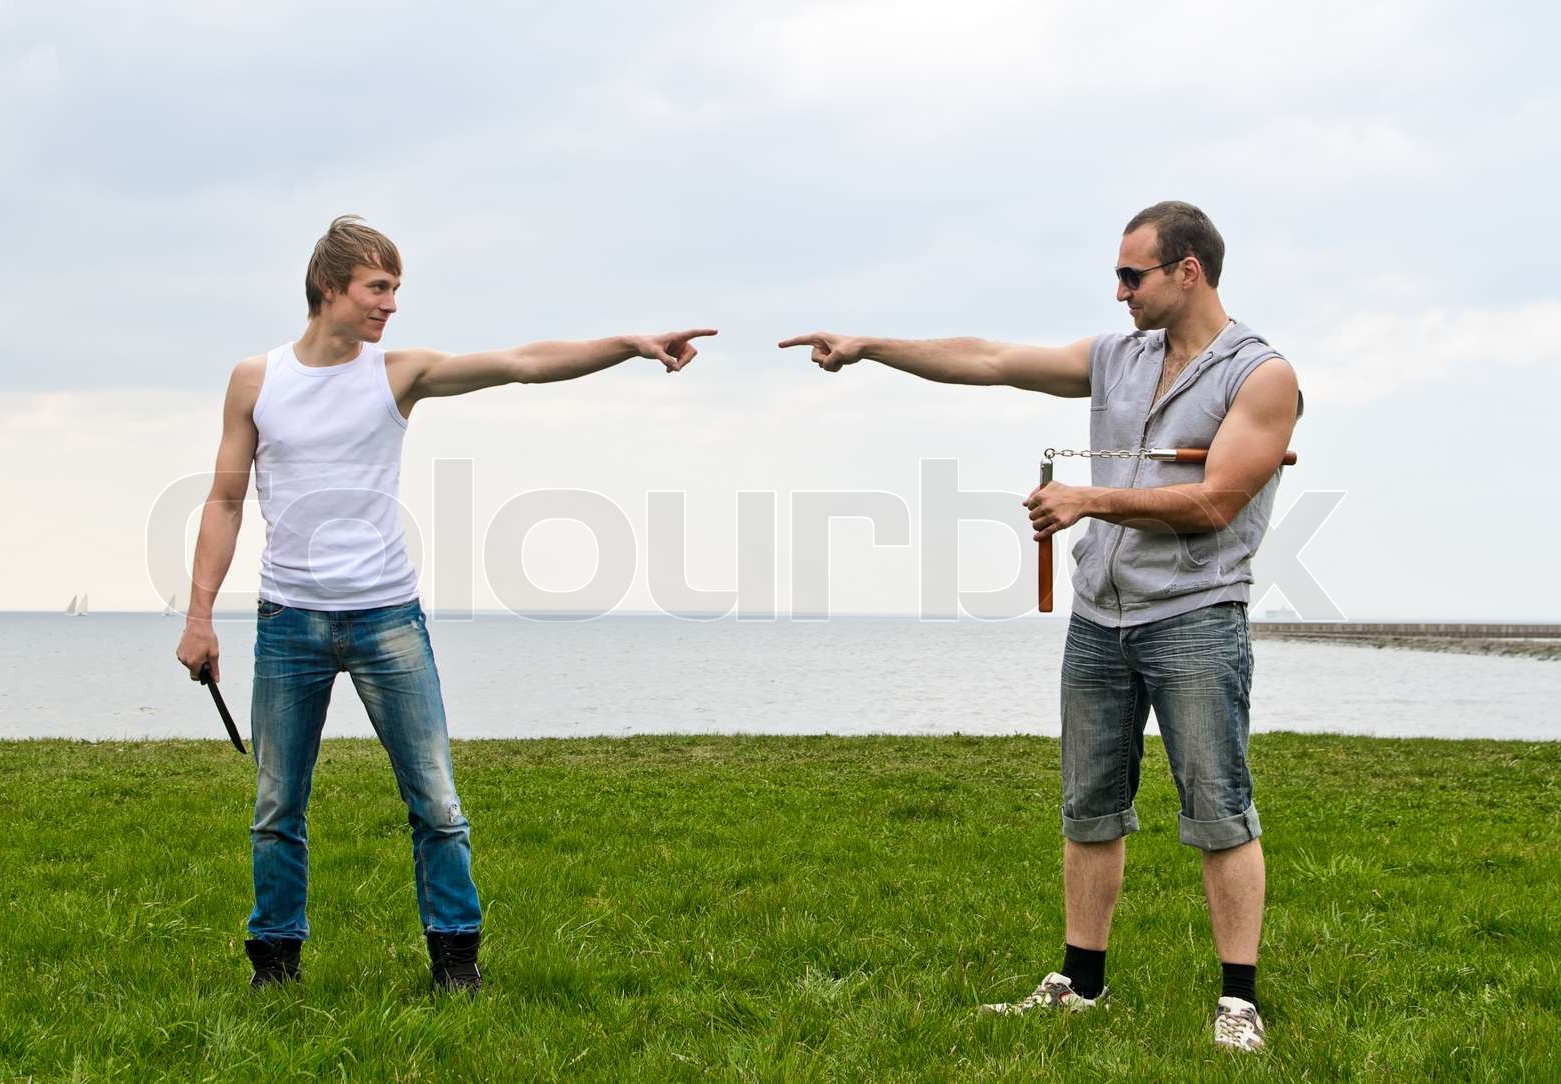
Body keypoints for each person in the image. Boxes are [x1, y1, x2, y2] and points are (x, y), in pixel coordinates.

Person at [779, 201, 1299, 1053]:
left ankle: (1237, 1001)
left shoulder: (1261, 375)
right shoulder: (1117, 357)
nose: (1120, 291)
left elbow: (1216, 501)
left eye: (1134, 275)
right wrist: (873, 346)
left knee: (1218, 808)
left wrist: (1090, 498)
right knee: (1089, 806)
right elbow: (989, 359)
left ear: (1189, 272)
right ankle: (1080, 984)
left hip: (1196, 618)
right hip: (1102, 618)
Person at [175, 215, 715, 993]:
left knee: (436, 802)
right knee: (275, 807)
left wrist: (627, 344)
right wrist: (200, 618)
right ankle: (276, 965)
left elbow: (523, 364)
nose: (391, 304)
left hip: (388, 618)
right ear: (330, 288)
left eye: (395, 289)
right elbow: (224, 503)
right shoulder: (256, 381)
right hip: (288, 621)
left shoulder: (397, 374)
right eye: (378, 287)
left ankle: (456, 962)